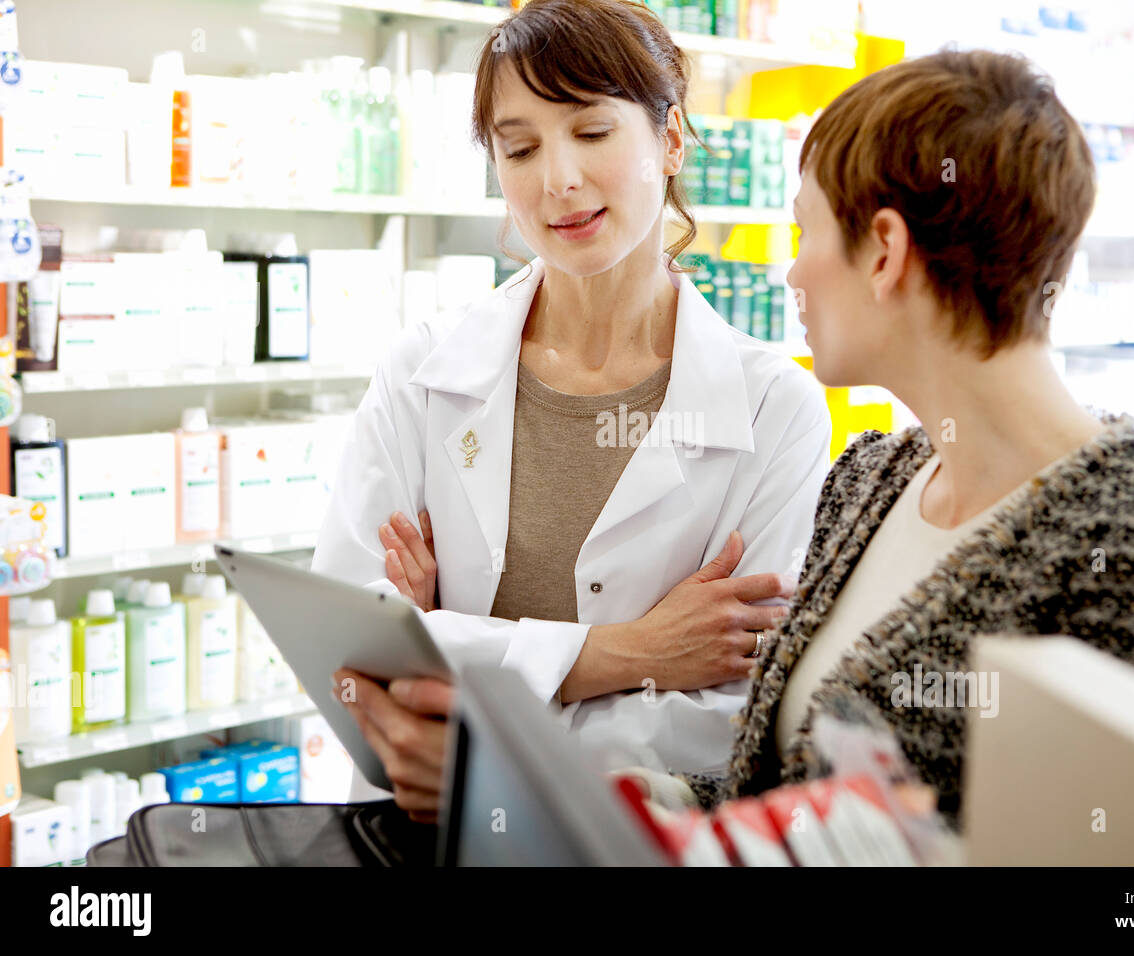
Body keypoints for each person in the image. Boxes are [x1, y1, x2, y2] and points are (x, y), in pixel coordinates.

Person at [628, 48, 1134, 827]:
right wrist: (648, 800)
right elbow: (774, 791)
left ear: (885, 251)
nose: (793, 276)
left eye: (806, 233)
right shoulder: (869, 478)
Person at [311, 0, 831, 819]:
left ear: (669, 141)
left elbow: (729, 722)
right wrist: (625, 653)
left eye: (591, 132)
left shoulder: (776, 410)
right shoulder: (424, 373)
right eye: (519, 147)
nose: (557, 179)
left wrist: (462, 684)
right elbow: (350, 649)